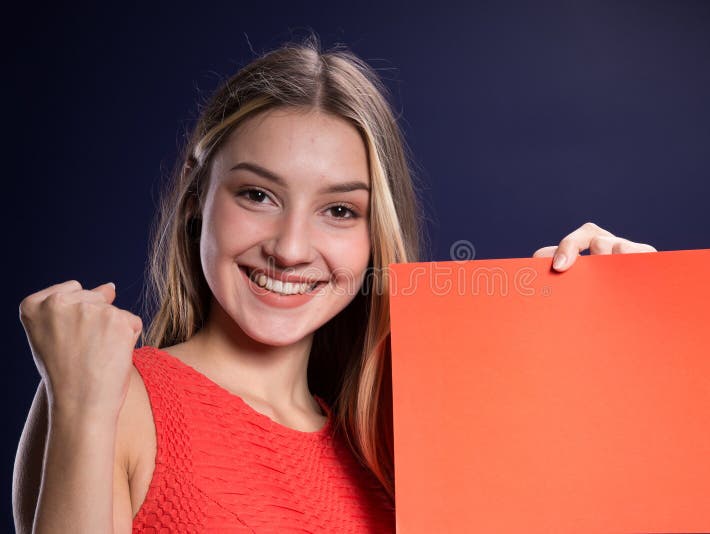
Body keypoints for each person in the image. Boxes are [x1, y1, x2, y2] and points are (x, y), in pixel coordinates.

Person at [13, 34, 657, 533]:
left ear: (376, 234)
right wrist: (81, 403)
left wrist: (616, 327)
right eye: (258, 194)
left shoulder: (390, 445)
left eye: (340, 210)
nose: (291, 249)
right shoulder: (109, 394)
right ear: (195, 196)